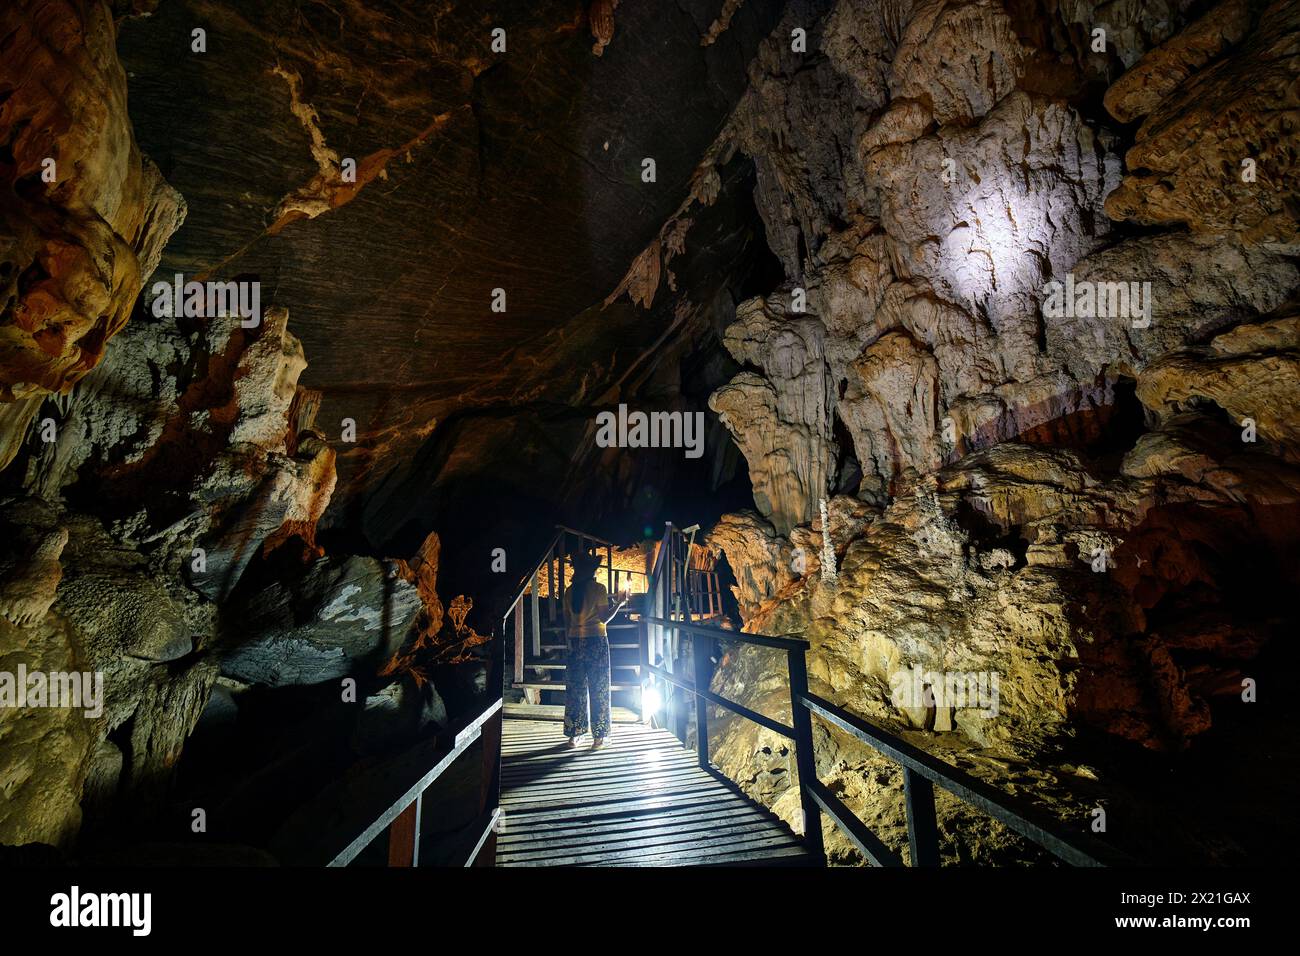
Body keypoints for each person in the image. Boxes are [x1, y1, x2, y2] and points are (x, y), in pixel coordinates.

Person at [562, 549, 628, 748]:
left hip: (575, 641)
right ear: (591, 570)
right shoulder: (598, 588)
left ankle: (574, 735)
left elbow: (566, 622)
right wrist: (619, 603)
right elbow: (604, 618)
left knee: (576, 688)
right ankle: (598, 737)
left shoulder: (569, 591)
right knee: (599, 687)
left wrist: (571, 641)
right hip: (596, 641)